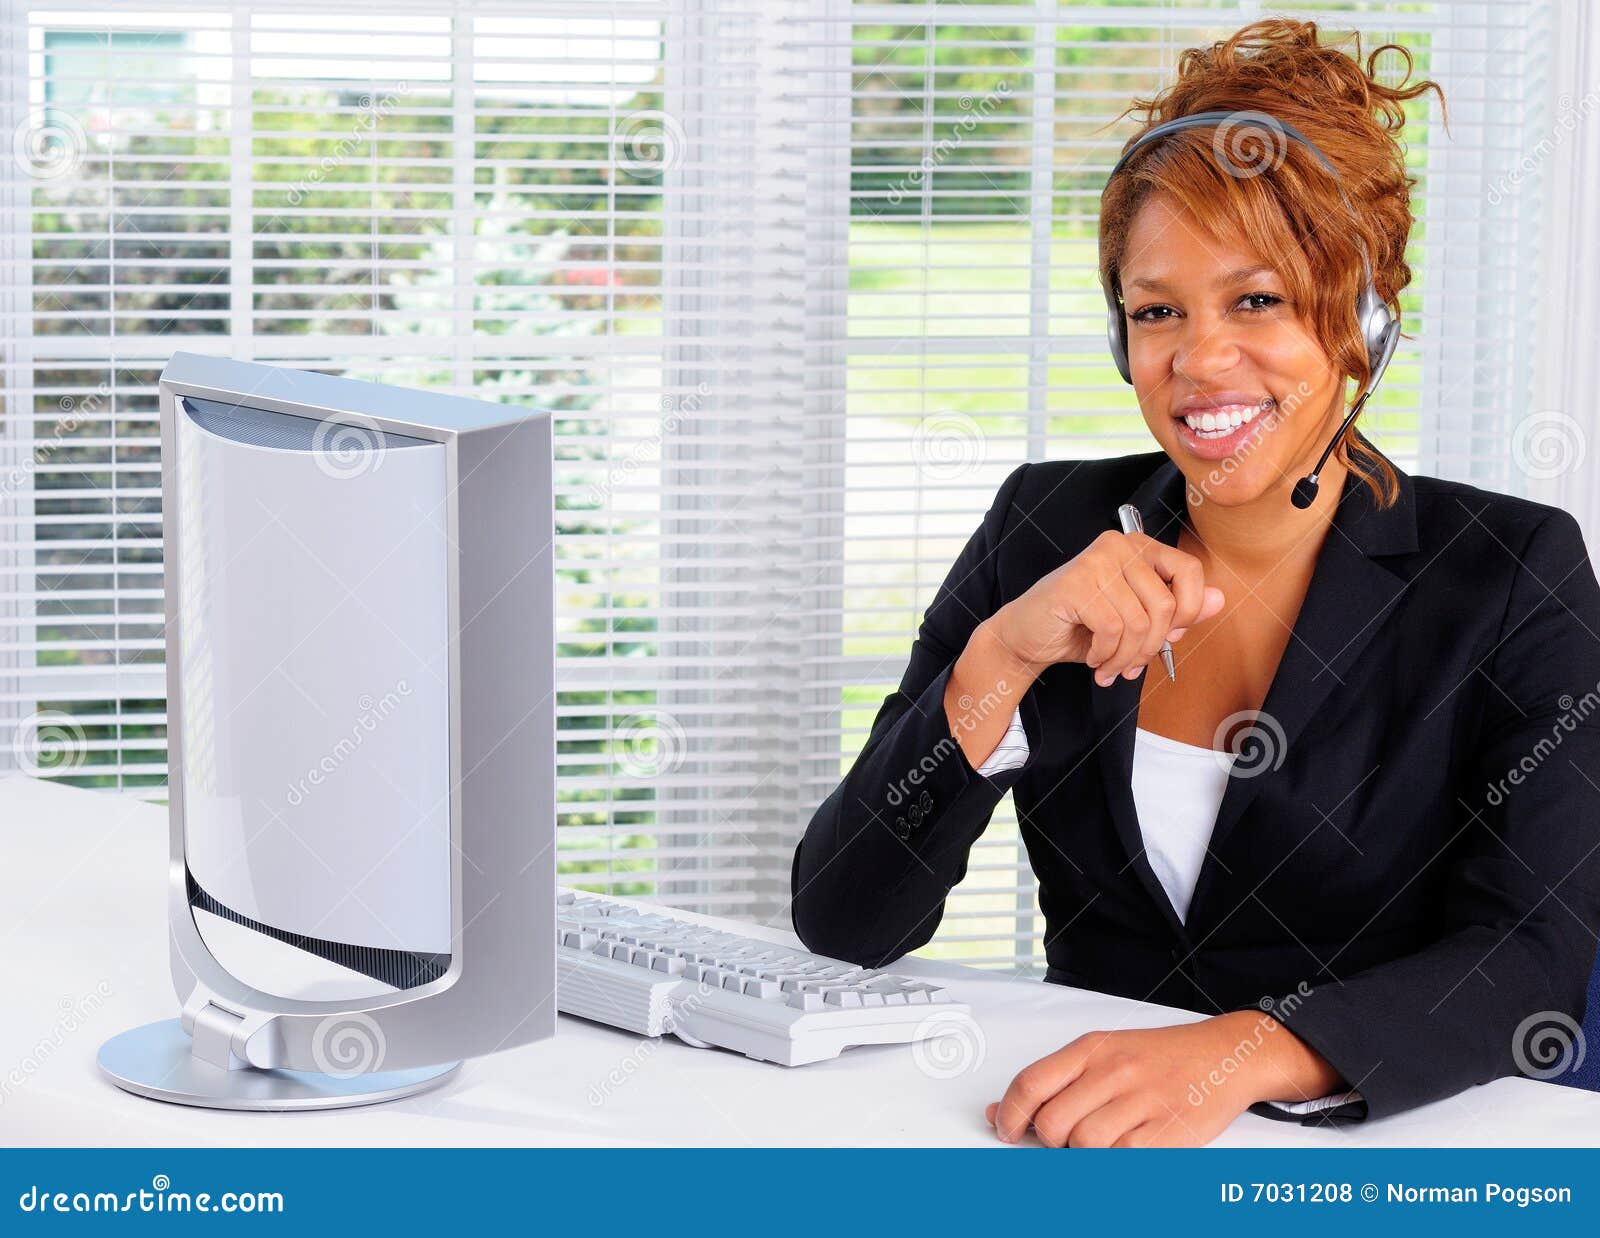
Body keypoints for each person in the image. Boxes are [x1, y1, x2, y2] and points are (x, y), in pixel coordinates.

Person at [790, 18, 1600, 1147]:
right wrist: (999, 659)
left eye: (1256, 299)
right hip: (1078, 1140)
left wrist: (1232, 1055)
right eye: (1157, 310)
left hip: (1359, 1146)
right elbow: (844, 919)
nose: (1199, 360)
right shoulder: (1045, 525)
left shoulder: (1508, 571)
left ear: (1363, 320)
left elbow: (1532, 953)